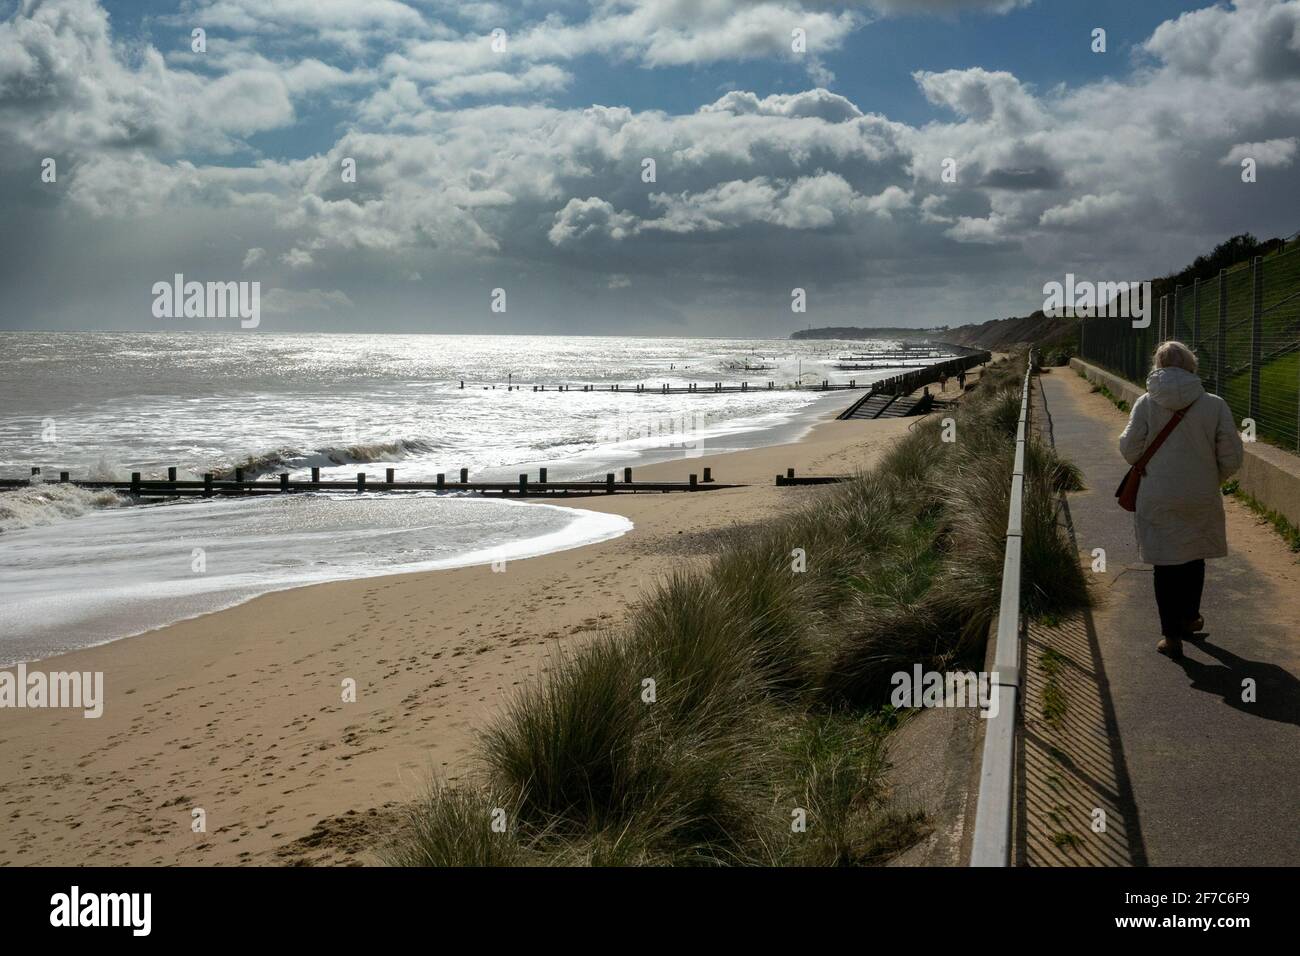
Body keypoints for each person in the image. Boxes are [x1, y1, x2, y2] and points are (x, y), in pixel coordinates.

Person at [1119, 341, 1243, 659]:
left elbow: (1130, 449)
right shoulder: (1214, 404)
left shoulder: (1146, 402)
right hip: (1200, 494)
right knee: (1193, 557)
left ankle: (1170, 636)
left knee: (1165, 564)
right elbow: (1232, 456)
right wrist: (1210, 478)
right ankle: (1190, 617)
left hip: (1157, 494)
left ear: (1157, 366)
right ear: (1191, 365)